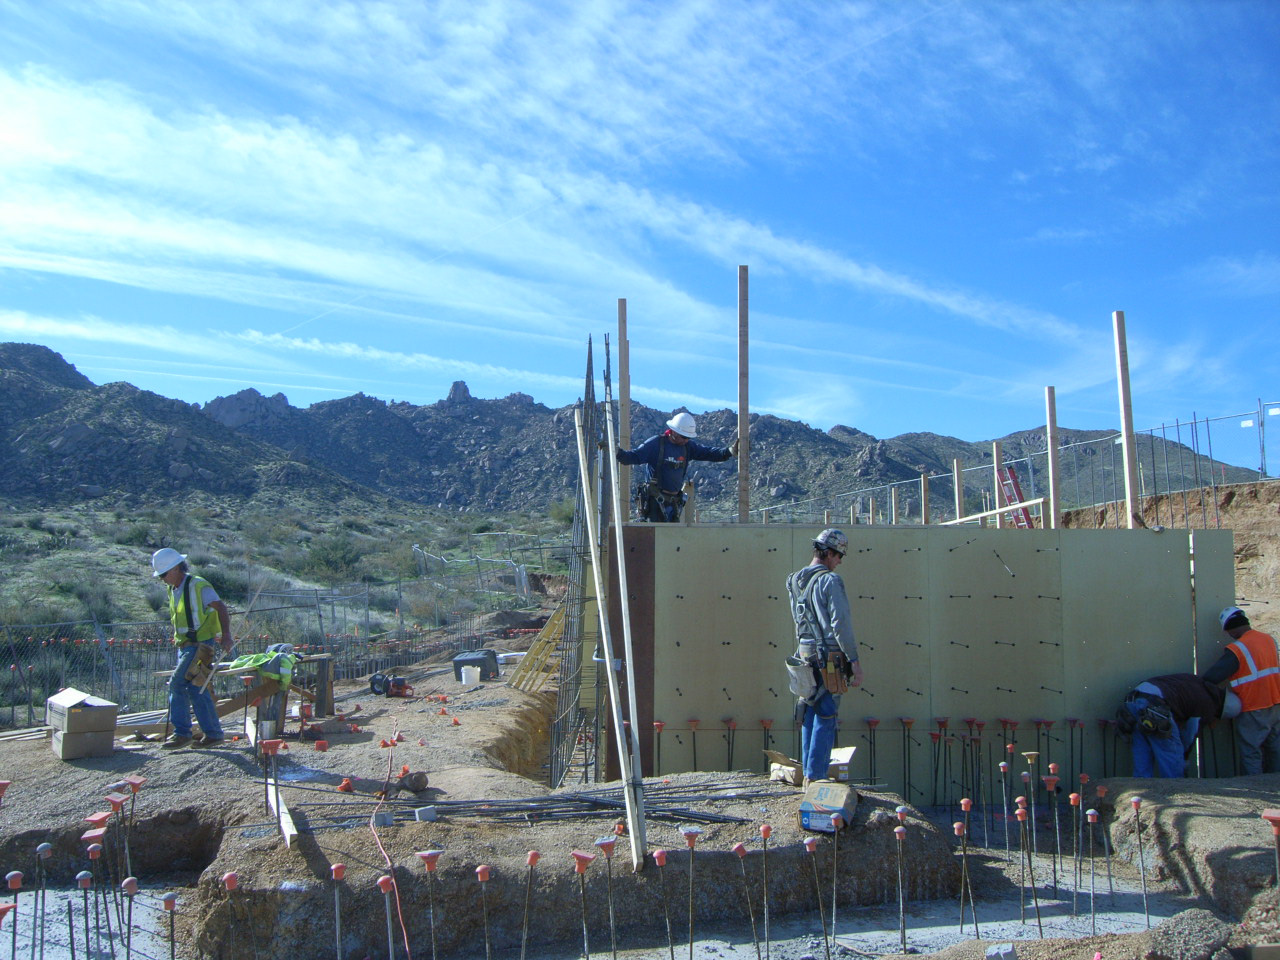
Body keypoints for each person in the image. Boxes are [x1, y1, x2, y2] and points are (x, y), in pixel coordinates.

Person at [785, 529, 863, 785]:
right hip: (828, 656)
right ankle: (816, 776)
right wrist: (853, 660)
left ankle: (809, 771)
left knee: (809, 710)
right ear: (828, 553)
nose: (839, 561)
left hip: (804, 654)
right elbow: (841, 623)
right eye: (839, 555)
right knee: (827, 713)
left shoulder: (794, 580)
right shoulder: (831, 581)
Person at [150, 548, 233, 749]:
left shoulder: (198, 585)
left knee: (177, 684)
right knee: (197, 688)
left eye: (163, 574)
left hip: (200, 646)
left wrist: (226, 635)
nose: (162, 579)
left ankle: (182, 733)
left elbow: (221, 607)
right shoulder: (173, 589)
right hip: (186, 646)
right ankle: (213, 734)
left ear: (176, 568)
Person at [615, 411, 737, 522]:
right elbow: (633, 457)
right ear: (674, 431)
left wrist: (729, 451)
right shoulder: (656, 444)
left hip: (673, 504)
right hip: (654, 503)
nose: (686, 440)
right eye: (684, 436)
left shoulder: (688, 447)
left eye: (688, 437)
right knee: (656, 538)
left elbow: (708, 453)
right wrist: (618, 453)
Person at [1200, 606, 1280, 774]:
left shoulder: (1237, 649)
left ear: (1231, 630)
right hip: (1275, 703)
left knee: (1251, 752)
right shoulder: (1268, 639)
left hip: (1253, 706)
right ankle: (1274, 784)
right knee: (1275, 748)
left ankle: (1255, 791)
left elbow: (1212, 677)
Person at [1115, 673, 1240, 778]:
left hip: (1132, 701)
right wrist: (1184, 756)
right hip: (1155, 707)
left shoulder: (1197, 683)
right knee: (1171, 755)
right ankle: (1176, 794)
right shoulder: (1208, 705)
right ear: (1221, 711)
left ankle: (1142, 792)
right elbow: (1191, 732)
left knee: (1142, 751)